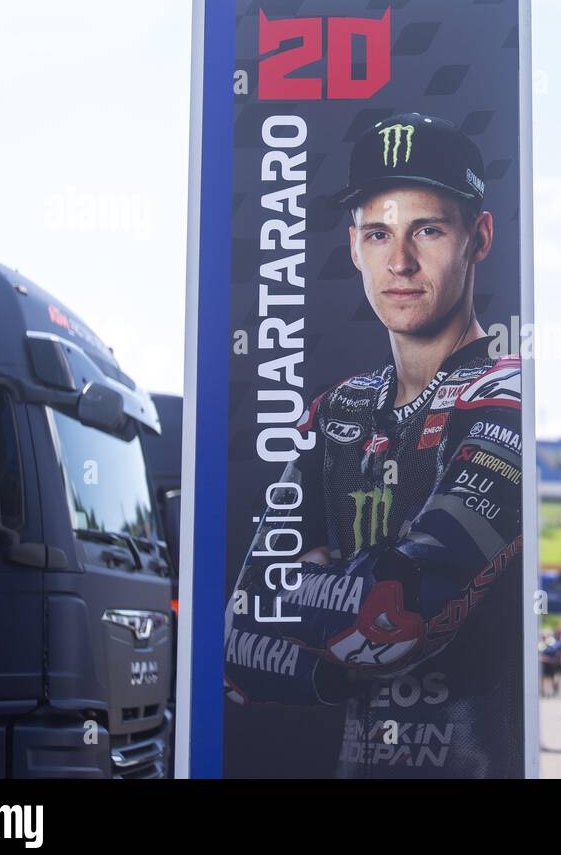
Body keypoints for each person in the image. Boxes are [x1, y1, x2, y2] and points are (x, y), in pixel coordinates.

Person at [223, 113, 523, 778]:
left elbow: (400, 610)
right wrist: (349, 612)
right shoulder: (336, 412)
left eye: (429, 230)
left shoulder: (511, 398)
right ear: (354, 248)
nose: (400, 262)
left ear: (478, 237)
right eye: (378, 233)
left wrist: (313, 589)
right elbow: (239, 636)